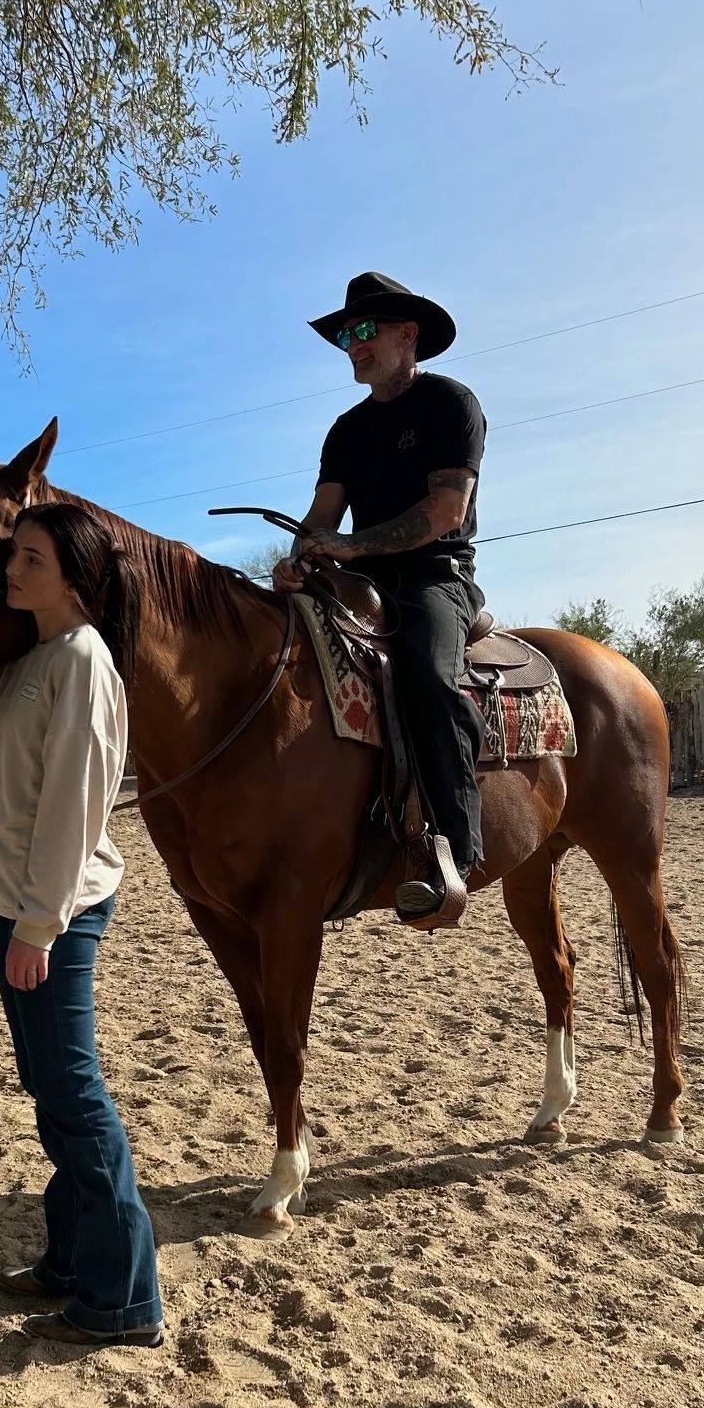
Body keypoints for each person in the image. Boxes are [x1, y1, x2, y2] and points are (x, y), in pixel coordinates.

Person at [0, 502, 164, 1350]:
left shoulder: (84, 662)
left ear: (72, 574)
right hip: (22, 904)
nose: (12, 571)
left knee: (76, 1091)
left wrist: (39, 924)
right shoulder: (33, 660)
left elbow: (77, 802)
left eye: (29, 558)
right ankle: (71, 1257)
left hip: (56, 910)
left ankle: (126, 1298)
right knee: (50, 1091)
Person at [274, 271, 488, 922]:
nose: (353, 345)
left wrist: (351, 548)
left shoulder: (451, 404)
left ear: (407, 333)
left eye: (364, 331)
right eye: (345, 335)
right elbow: (323, 514)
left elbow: (447, 510)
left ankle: (458, 848)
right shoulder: (346, 429)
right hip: (356, 581)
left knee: (428, 675)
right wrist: (300, 556)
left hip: (434, 577)